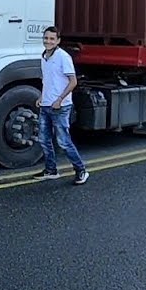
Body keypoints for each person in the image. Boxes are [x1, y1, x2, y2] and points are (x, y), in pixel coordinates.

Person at [35, 26, 89, 185]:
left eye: (52, 39)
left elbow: (73, 82)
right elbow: (48, 81)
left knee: (63, 141)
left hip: (61, 106)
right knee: (44, 139)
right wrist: (41, 97)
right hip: (46, 105)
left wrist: (59, 99)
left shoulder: (63, 57)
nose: (48, 41)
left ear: (58, 41)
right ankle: (51, 170)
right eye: (46, 38)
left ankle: (81, 170)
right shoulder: (44, 56)